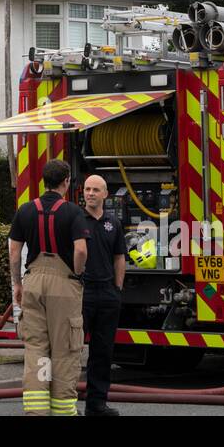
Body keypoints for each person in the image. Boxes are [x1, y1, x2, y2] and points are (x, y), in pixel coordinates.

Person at [8, 159, 90, 416]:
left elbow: (14, 252)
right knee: (64, 350)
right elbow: (80, 249)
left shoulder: (25, 210)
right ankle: (64, 411)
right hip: (63, 285)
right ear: (66, 181)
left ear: (44, 181)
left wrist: (18, 283)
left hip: (32, 283)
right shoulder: (73, 212)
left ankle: (37, 411)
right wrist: (77, 272)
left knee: (36, 350)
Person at [79, 174, 127, 417]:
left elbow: (119, 257)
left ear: (105, 194)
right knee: (71, 350)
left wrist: (117, 289)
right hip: (82, 294)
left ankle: (96, 404)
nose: (90, 193)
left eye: (96, 190)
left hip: (107, 295)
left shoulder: (113, 223)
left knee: (103, 352)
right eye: (87, 189)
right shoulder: (76, 220)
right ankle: (64, 404)